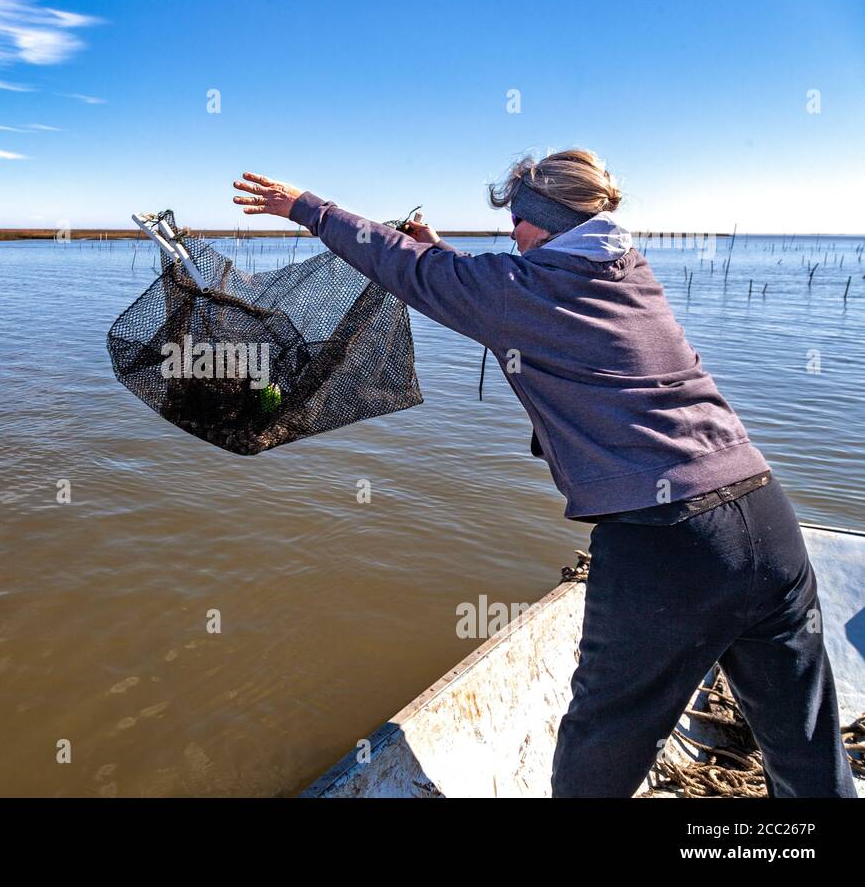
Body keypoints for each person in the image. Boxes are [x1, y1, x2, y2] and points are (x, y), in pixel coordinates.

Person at [231, 151, 857, 797]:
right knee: (805, 745)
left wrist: (304, 206)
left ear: (550, 222)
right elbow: (507, 294)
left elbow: (411, 271)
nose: (512, 232)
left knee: (602, 747)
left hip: (668, 542)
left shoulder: (520, 289)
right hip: (767, 521)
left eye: (520, 220)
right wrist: (441, 250)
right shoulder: (629, 273)